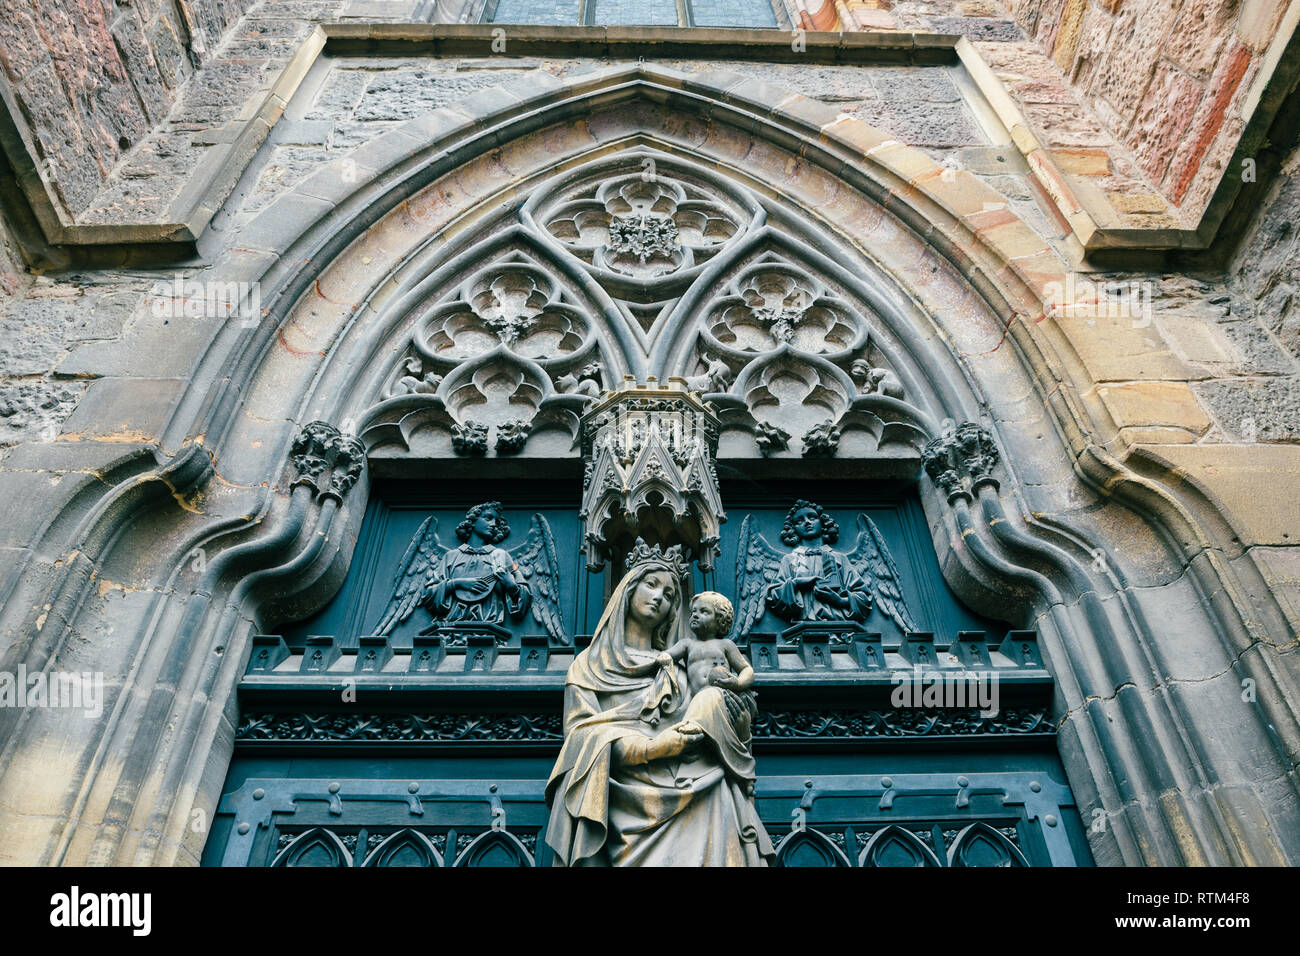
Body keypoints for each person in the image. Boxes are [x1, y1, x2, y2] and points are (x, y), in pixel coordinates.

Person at [544, 543, 773, 866]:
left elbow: (716, 724)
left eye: (669, 595)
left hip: (695, 787)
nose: (659, 598)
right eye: (651, 585)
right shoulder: (588, 666)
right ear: (628, 589)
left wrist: (737, 713)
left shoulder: (679, 668)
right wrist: (654, 748)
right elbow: (580, 738)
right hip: (623, 803)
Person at [659, 592, 757, 742]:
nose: (695, 615)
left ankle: (695, 723)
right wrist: (664, 657)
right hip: (694, 696)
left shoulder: (725, 645)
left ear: (720, 620)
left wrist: (738, 683)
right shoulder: (687, 644)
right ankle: (696, 722)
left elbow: (746, 669)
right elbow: (667, 655)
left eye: (704, 611)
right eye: (693, 612)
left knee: (710, 694)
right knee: (702, 698)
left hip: (721, 695)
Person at [423, 501, 530, 627]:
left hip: (491, 629)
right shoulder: (451, 557)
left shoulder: (501, 556)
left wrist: (511, 586)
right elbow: (429, 595)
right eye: (488, 518)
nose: (493, 524)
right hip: (449, 628)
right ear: (473, 521)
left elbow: (523, 598)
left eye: (496, 521)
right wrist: (457, 583)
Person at [766, 499, 872, 623]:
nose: (806, 522)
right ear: (793, 528)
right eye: (799, 521)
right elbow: (774, 597)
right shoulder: (790, 560)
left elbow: (864, 598)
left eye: (812, 517)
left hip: (840, 628)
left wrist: (839, 600)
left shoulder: (839, 558)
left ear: (822, 523)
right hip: (802, 630)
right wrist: (796, 583)